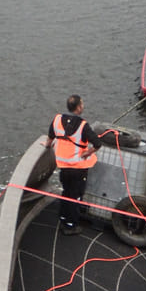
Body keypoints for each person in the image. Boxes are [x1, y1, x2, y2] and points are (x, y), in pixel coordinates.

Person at [47, 94, 104, 233]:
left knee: (66, 192)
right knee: (75, 196)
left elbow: (49, 139)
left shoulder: (57, 120)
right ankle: (71, 225)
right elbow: (97, 143)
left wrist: (48, 145)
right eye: (82, 104)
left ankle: (62, 218)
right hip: (78, 168)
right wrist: (88, 152)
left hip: (63, 167)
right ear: (78, 107)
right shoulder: (83, 125)